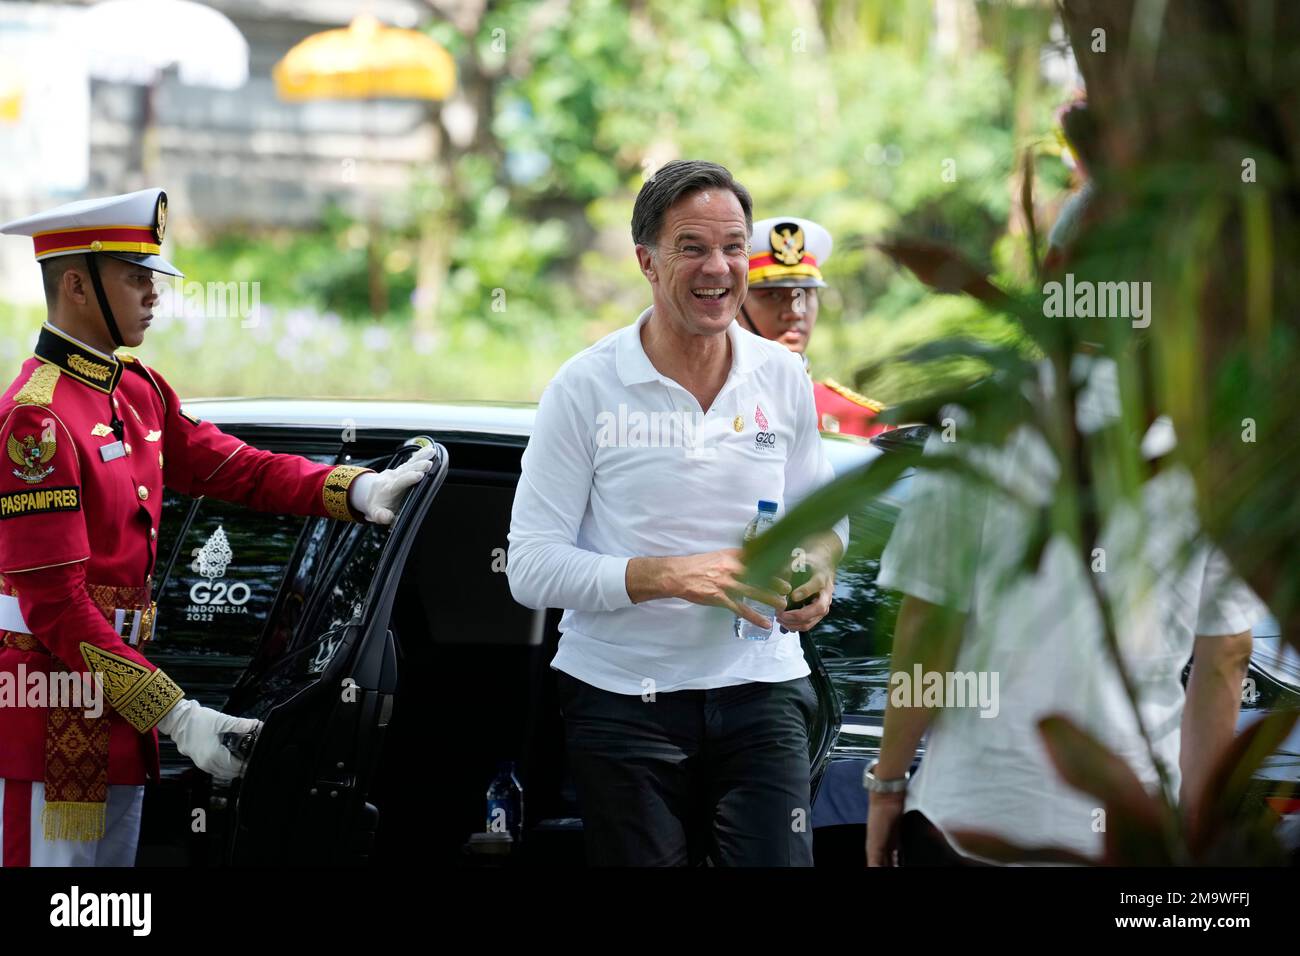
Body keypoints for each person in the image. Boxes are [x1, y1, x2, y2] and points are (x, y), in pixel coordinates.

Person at [0, 188, 433, 866]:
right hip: (55, 725)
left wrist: (354, 488)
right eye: (136, 277)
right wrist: (175, 714)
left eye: (154, 277)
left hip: (116, 716)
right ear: (78, 285)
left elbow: (236, 468)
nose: (154, 292)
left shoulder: (136, 389)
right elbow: (54, 605)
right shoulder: (37, 421)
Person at [507, 160, 848, 866]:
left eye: (731, 246)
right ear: (647, 262)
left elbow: (823, 514)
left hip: (764, 689)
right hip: (622, 702)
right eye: (692, 247)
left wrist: (818, 569)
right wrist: (670, 576)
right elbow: (530, 568)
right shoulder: (584, 387)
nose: (717, 267)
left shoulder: (781, 377)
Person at [740, 216, 888, 438]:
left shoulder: (864, 422)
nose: (795, 312)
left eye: (805, 294)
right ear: (735, 304)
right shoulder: (702, 408)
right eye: (772, 295)